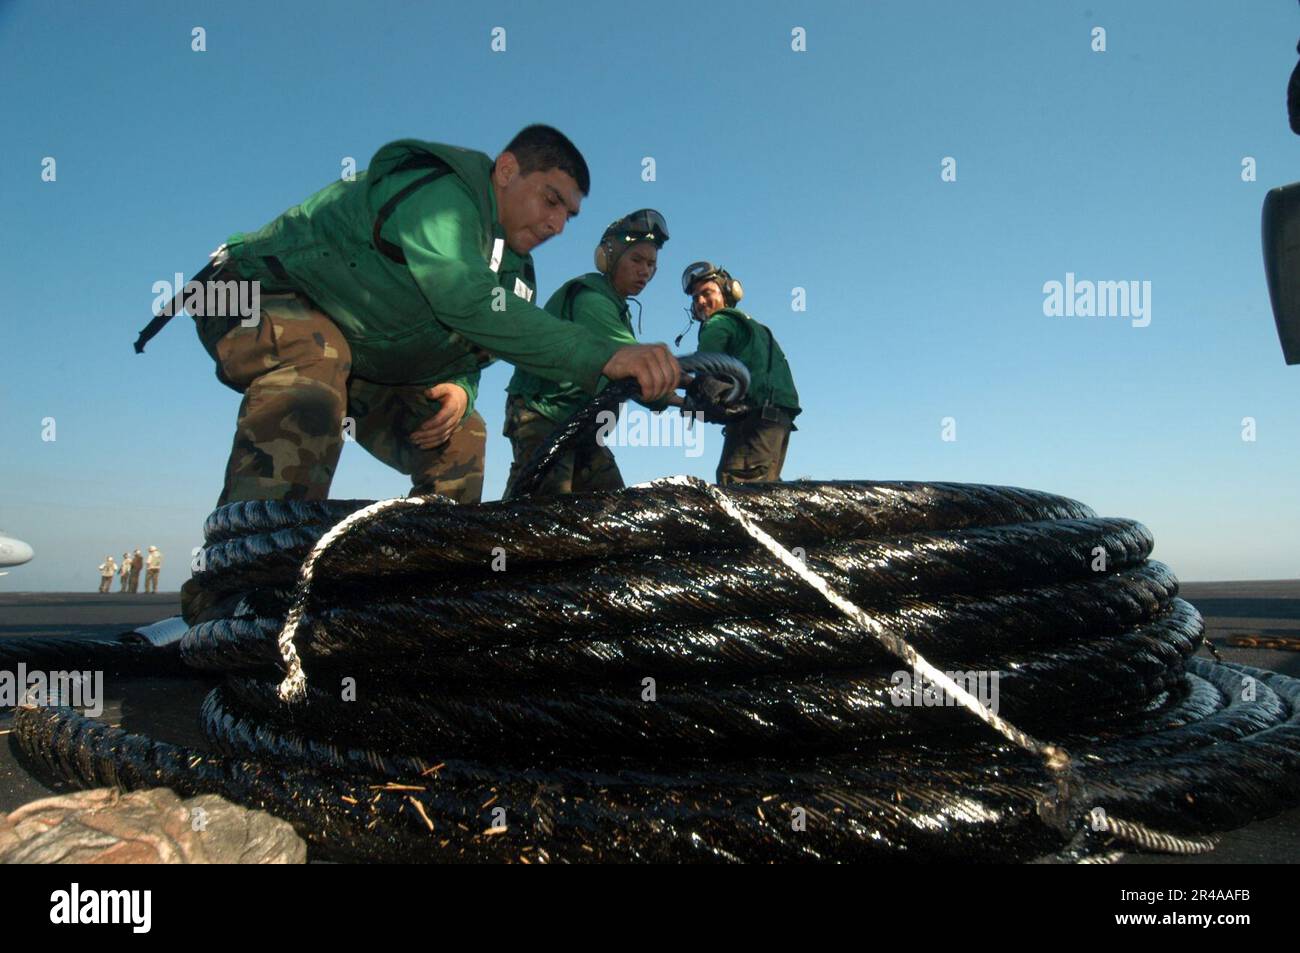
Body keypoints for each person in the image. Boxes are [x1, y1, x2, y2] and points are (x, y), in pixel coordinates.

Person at [172, 125, 679, 508]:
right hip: (248, 291)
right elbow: (467, 300)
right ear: (506, 171)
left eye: (567, 215)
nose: (555, 223)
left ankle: (422, 586)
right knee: (314, 362)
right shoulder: (445, 196)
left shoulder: (518, 271)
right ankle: (247, 587)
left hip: (360, 358)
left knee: (463, 432)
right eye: (550, 200)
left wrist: (463, 386)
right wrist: (606, 354)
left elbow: (480, 340)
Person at [503, 209, 679, 497]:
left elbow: (641, 381)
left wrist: (687, 401)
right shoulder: (591, 299)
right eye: (636, 260)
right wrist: (692, 388)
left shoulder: (616, 308)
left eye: (651, 264)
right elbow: (639, 367)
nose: (645, 271)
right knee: (544, 511)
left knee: (612, 507)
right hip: (543, 414)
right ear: (607, 257)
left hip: (581, 424)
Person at [681, 262, 800, 484]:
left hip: (754, 421)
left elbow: (704, 367)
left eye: (707, 293)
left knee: (736, 488)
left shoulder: (718, 323)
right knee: (764, 494)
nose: (700, 302)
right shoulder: (753, 327)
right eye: (695, 298)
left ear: (727, 293)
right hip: (776, 421)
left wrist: (693, 394)